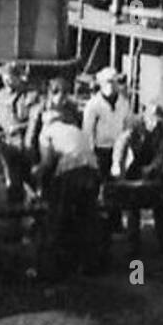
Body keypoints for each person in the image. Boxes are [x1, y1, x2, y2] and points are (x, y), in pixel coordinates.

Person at [34, 94, 103, 275]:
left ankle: (50, 268)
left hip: (71, 172)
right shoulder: (74, 129)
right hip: (93, 170)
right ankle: (91, 264)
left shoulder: (46, 133)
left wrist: (37, 176)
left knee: (57, 218)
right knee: (87, 218)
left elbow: (47, 162)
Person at [110, 104, 163, 253]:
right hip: (131, 164)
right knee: (133, 205)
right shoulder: (134, 123)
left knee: (161, 202)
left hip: (150, 165)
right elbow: (121, 145)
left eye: (158, 120)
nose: (154, 123)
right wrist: (117, 167)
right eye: (152, 119)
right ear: (145, 115)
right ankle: (133, 244)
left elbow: (162, 152)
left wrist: (152, 167)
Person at [83, 66, 128, 229]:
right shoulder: (93, 104)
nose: (111, 85)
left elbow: (126, 127)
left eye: (114, 81)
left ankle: (115, 222)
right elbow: (88, 131)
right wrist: (90, 154)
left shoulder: (124, 103)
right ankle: (95, 222)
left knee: (117, 185)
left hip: (118, 149)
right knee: (98, 186)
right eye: (108, 82)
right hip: (100, 149)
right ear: (101, 83)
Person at [0, 62, 38, 200]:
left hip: (25, 143)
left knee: (28, 179)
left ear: (18, 78)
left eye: (10, 77)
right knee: (8, 180)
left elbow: (35, 120)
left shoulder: (30, 95)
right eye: (4, 77)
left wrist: (19, 128)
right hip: (4, 143)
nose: (6, 80)